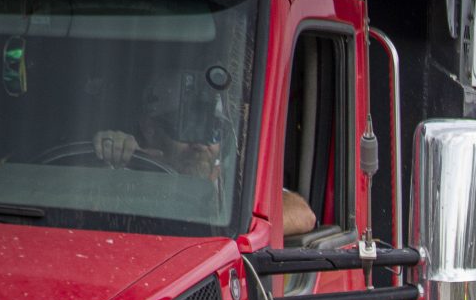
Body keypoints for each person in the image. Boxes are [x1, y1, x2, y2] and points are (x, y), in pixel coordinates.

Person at [93, 69, 316, 235]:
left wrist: (234, 224)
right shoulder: (128, 176)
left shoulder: (235, 185)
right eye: (185, 129)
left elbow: (303, 214)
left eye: (212, 132)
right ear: (149, 128)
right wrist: (110, 155)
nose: (199, 145)